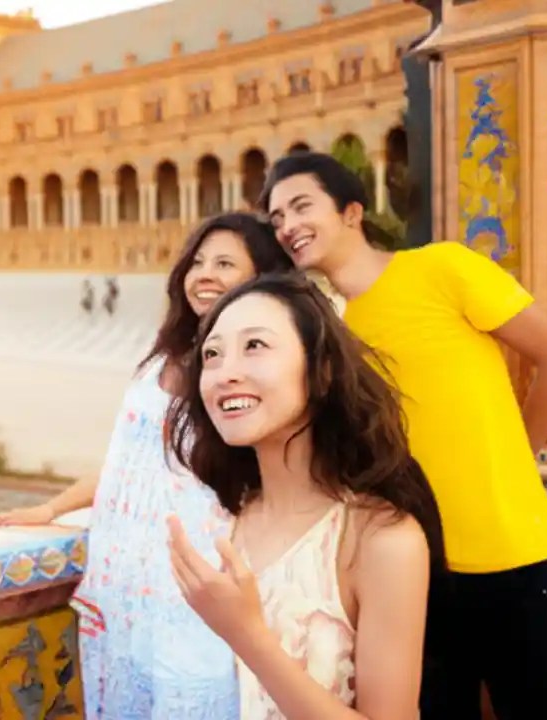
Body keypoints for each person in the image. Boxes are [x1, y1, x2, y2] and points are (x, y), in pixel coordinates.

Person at [260, 151, 547, 718]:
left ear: (352, 211)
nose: (287, 225)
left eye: (300, 206)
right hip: (410, 576)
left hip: (514, 555)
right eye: (276, 217)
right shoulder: (325, 337)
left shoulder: (442, 268)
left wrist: (519, 453)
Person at [0, 213, 294, 718]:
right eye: (197, 262)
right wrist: (52, 508)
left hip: (194, 597)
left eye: (225, 263)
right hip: (124, 591)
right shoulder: (159, 360)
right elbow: (128, 466)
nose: (205, 274)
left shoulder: (251, 375)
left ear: (262, 280)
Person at [166, 272, 445, 718]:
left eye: (254, 346)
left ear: (322, 371)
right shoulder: (215, 520)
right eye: (212, 355)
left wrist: (247, 636)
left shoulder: (380, 541)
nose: (225, 373)